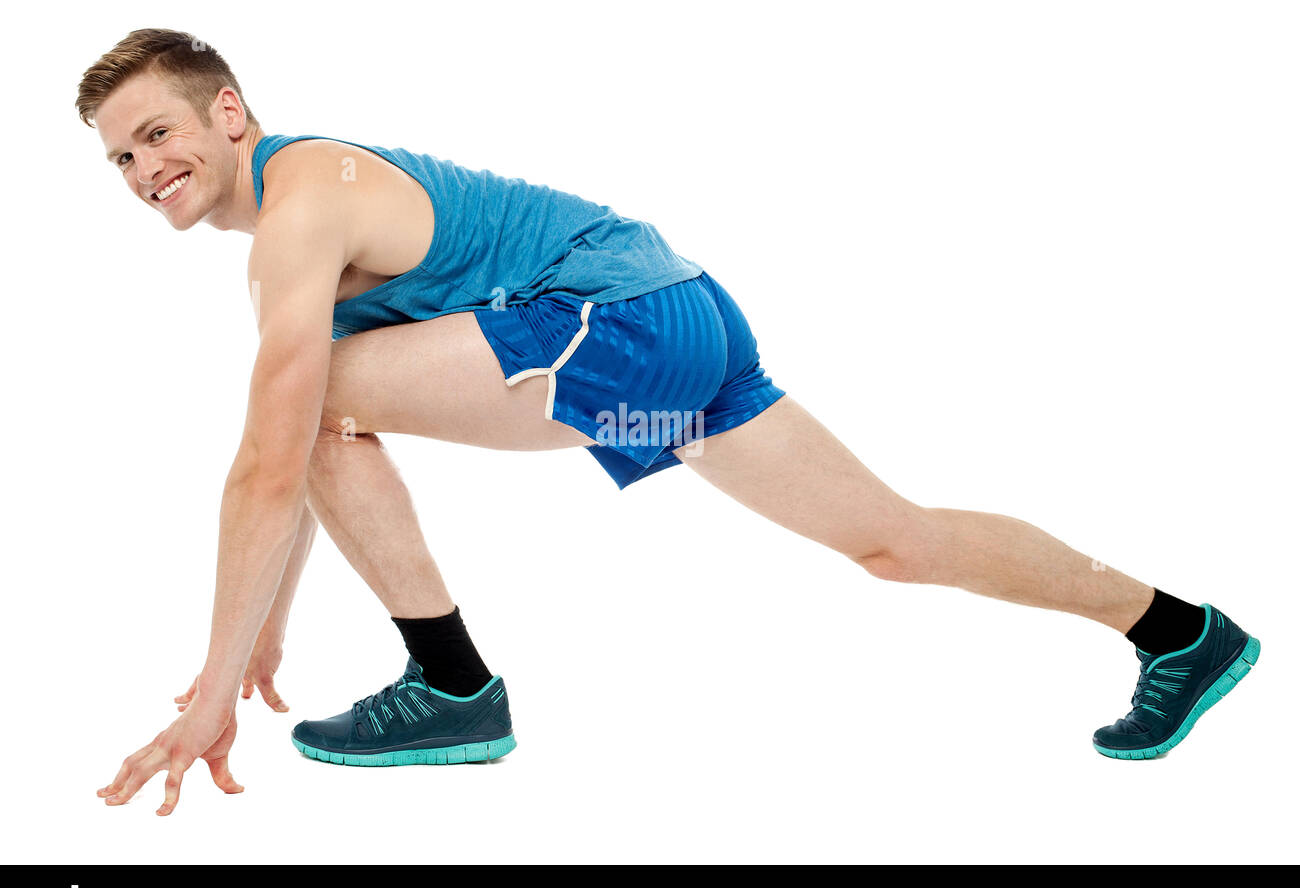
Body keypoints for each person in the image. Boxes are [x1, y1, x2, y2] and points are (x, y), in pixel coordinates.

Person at [80, 29, 1260, 815]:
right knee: (892, 539)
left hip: (614, 326)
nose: (145, 168)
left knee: (315, 394)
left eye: (160, 133)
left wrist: (214, 687)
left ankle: (452, 688)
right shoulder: (296, 226)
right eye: (121, 157)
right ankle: (1177, 630)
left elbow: (268, 461)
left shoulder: (299, 210)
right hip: (679, 338)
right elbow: (296, 464)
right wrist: (267, 635)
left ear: (230, 112)